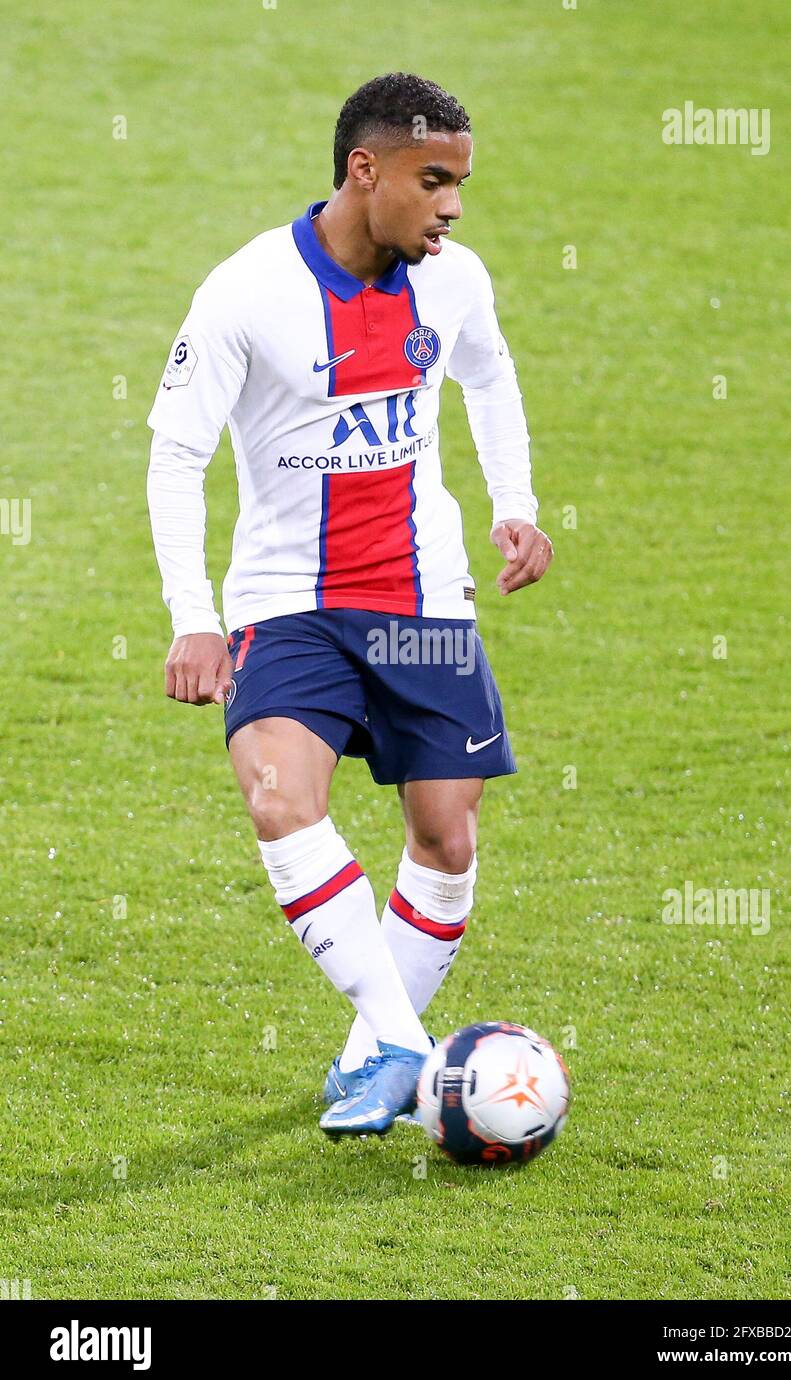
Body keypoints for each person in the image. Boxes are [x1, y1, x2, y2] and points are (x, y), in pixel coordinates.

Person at [146, 72, 553, 1137]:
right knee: (279, 794)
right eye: (434, 181)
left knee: (446, 841)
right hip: (289, 601)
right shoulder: (244, 293)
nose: (452, 206)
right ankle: (409, 1044)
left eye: (460, 183)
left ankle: (372, 1055)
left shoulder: (453, 281)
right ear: (363, 170)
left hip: (423, 597)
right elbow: (175, 457)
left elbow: (491, 375)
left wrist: (515, 504)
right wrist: (192, 613)